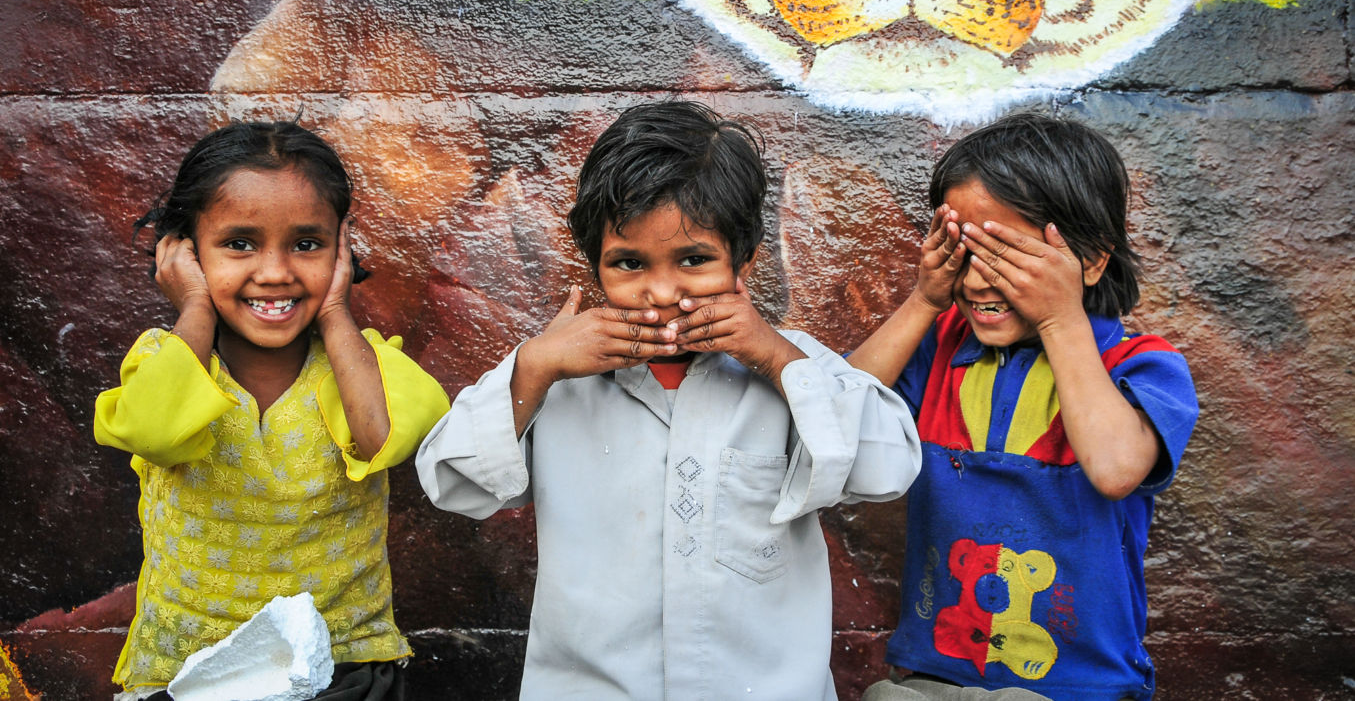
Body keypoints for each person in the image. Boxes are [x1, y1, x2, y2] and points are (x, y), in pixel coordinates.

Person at [416, 99, 921, 699]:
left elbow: (889, 467)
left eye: (694, 260)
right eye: (629, 263)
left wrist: (779, 360)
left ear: (746, 259)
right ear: (595, 269)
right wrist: (534, 367)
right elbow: (453, 483)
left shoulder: (796, 365)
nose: (661, 293)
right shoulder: (553, 375)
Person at [94, 120, 449, 700]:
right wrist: (194, 309)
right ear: (185, 251)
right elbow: (153, 430)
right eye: (239, 243)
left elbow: (384, 438)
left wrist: (336, 312)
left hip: (346, 675)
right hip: (187, 675)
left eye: (307, 244)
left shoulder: (365, 365)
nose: (276, 272)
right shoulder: (166, 360)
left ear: (342, 247)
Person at [852, 113, 1198, 701]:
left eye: (1010, 257)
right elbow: (839, 418)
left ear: (1090, 261)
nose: (982, 281)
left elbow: (1116, 470)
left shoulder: (1141, 366)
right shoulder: (937, 352)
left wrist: (1060, 317)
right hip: (933, 672)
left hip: (1078, 685)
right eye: (965, 250)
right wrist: (922, 302)